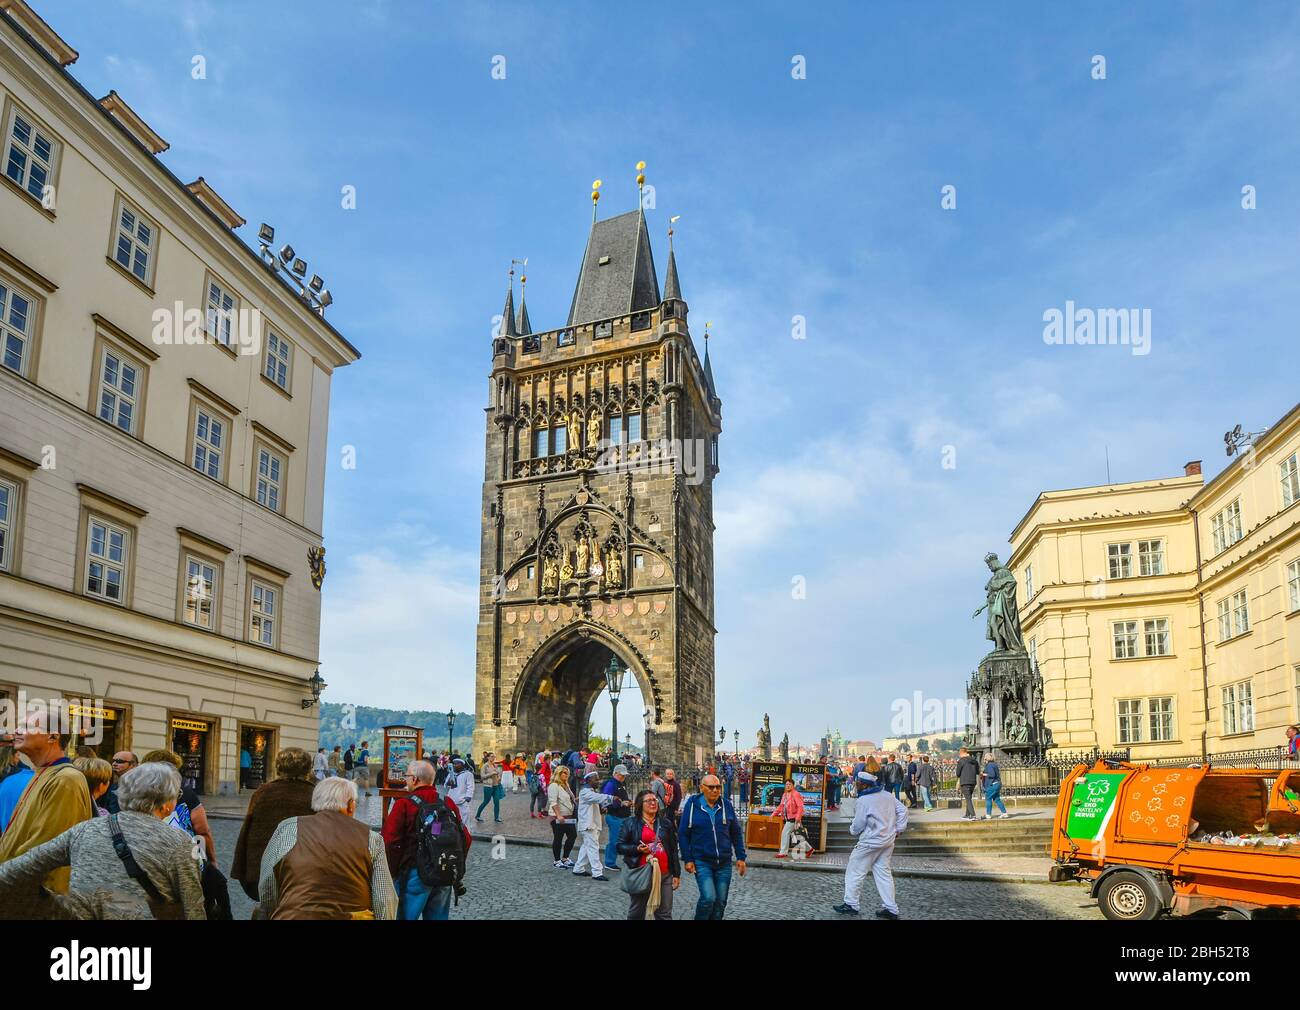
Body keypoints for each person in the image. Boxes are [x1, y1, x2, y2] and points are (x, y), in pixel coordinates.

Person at [0, 761, 206, 919]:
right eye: (176, 794)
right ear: (167, 803)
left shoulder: (84, 830)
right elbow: (194, 906)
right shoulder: (181, 842)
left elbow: (20, 868)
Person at [258, 777, 397, 919]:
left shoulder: (288, 827)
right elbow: (385, 898)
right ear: (350, 805)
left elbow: (267, 883)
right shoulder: (372, 839)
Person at [0, 711, 94, 895]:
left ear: (52, 736)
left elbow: (46, 849)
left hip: (37, 898)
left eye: (27, 727)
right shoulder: (43, 773)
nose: (17, 730)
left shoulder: (67, 779)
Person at [381, 760, 470, 920]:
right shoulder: (447, 802)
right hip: (444, 871)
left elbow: (390, 841)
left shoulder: (404, 804)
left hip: (415, 873)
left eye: (407, 776)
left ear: (414, 779)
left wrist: (392, 873)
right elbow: (466, 837)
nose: (406, 780)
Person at [230, 747, 317, 901]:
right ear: (308, 768)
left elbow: (247, 831)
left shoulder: (264, 792)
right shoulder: (315, 794)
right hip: (304, 873)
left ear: (278, 766)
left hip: (263, 870)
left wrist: (243, 868)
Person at [833, 770, 908, 919]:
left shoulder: (864, 800)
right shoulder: (887, 795)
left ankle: (851, 904)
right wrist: (899, 829)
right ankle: (891, 908)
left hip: (870, 841)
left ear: (864, 785)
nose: (856, 784)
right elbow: (903, 810)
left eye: (858, 783)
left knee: (855, 871)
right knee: (883, 873)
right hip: (887, 840)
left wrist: (852, 830)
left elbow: (858, 824)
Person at [677, 773, 747, 920]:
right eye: (711, 787)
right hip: (702, 861)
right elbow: (683, 834)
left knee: (720, 902)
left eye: (718, 787)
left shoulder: (726, 805)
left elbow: (736, 832)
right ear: (702, 788)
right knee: (708, 898)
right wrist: (687, 859)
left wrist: (741, 857)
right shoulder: (692, 805)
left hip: (724, 862)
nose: (715, 790)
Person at [140, 750, 216, 864]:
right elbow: (202, 832)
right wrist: (207, 861)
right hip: (185, 860)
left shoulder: (135, 793)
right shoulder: (185, 793)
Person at [616, 789, 680, 920]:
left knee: (664, 913)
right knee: (637, 913)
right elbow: (619, 846)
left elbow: (673, 850)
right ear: (640, 804)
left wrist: (677, 874)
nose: (653, 803)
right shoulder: (630, 823)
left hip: (665, 874)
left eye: (655, 800)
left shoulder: (665, 823)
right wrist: (637, 849)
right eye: (648, 801)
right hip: (642, 874)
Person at [571, 771, 617, 881]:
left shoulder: (590, 792)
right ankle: (597, 872)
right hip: (588, 825)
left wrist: (601, 808)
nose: (598, 781)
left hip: (591, 824)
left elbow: (595, 801)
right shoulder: (585, 792)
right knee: (593, 847)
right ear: (588, 781)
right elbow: (597, 797)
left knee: (586, 847)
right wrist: (611, 798)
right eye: (595, 779)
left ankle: (578, 868)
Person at [601, 764, 632, 871]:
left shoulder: (619, 783)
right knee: (614, 840)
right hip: (615, 816)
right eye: (621, 775)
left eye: (624, 775)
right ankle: (609, 862)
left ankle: (623, 860)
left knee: (623, 839)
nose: (623, 777)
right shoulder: (611, 784)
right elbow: (605, 800)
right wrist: (622, 804)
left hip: (621, 816)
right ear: (615, 774)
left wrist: (626, 802)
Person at [548, 765, 577, 868]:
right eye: (564, 773)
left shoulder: (566, 785)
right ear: (558, 774)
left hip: (568, 816)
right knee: (558, 838)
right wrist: (559, 815)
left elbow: (570, 799)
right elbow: (553, 802)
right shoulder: (554, 786)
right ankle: (557, 860)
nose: (566, 775)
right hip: (557, 817)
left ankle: (565, 858)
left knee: (573, 835)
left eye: (567, 773)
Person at [773, 779, 805, 859]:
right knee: (798, 835)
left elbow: (800, 807)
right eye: (786, 784)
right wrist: (774, 814)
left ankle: (783, 852)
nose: (788, 786)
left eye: (789, 784)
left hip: (793, 818)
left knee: (785, 833)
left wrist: (797, 819)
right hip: (788, 818)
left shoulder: (796, 794)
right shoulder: (784, 795)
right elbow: (781, 806)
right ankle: (810, 849)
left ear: (793, 785)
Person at [475, 753, 504, 823]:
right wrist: (492, 773)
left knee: (497, 802)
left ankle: (496, 818)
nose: (493, 758)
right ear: (488, 757)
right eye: (491, 756)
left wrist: (499, 777)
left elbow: (497, 774)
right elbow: (482, 776)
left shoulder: (494, 765)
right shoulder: (485, 766)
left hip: (496, 785)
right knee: (486, 801)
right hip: (488, 786)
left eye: (494, 757)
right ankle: (477, 815)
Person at [955, 747, 980, 821]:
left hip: (965, 781)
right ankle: (967, 814)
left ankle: (973, 815)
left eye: (960, 753)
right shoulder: (974, 760)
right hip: (973, 781)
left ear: (962, 753)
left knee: (968, 799)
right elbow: (978, 772)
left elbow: (957, 773)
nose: (959, 755)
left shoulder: (961, 761)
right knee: (968, 798)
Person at [981, 753, 1009, 819]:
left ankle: (988, 815)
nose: (984, 760)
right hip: (997, 784)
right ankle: (1004, 813)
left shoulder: (989, 765)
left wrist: (983, 774)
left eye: (985, 758)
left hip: (992, 784)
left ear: (986, 759)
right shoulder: (994, 764)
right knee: (997, 799)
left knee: (988, 799)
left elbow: (992, 775)